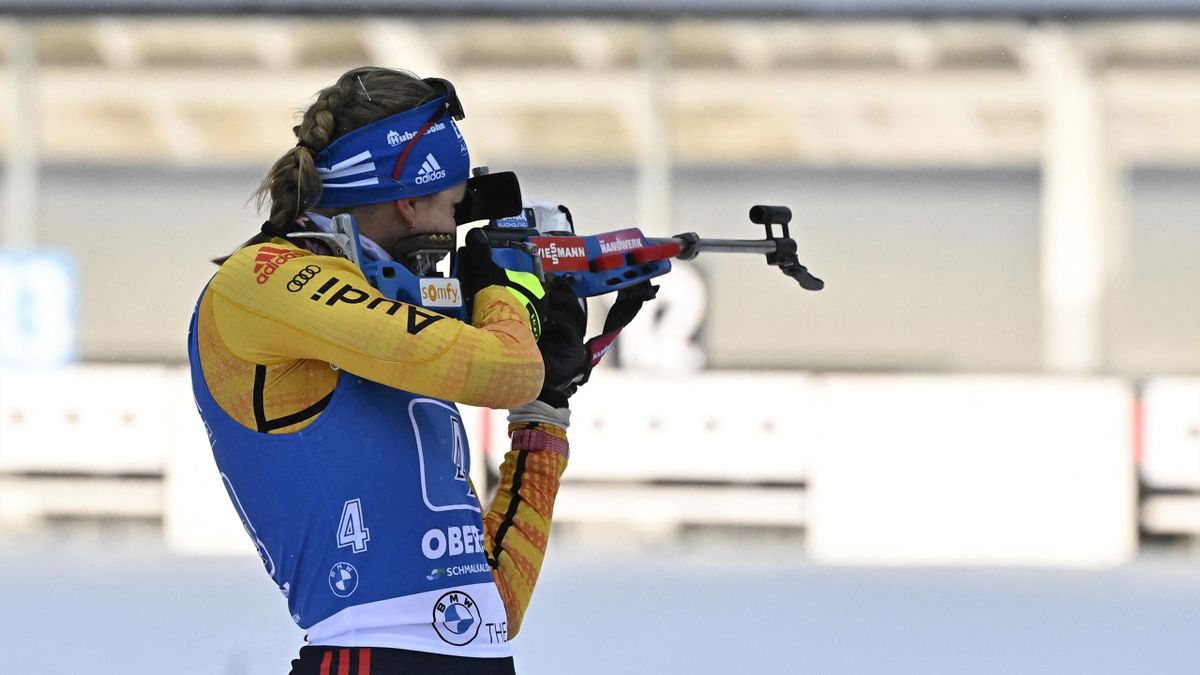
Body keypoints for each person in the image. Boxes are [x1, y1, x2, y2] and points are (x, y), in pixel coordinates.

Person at [187, 66, 593, 674]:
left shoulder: (397, 324)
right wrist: (503, 290)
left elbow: (487, 612)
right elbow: (506, 369)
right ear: (408, 203)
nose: (455, 231)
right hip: (362, 655)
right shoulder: (260, 279)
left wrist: (544, 414)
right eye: (453, 208)